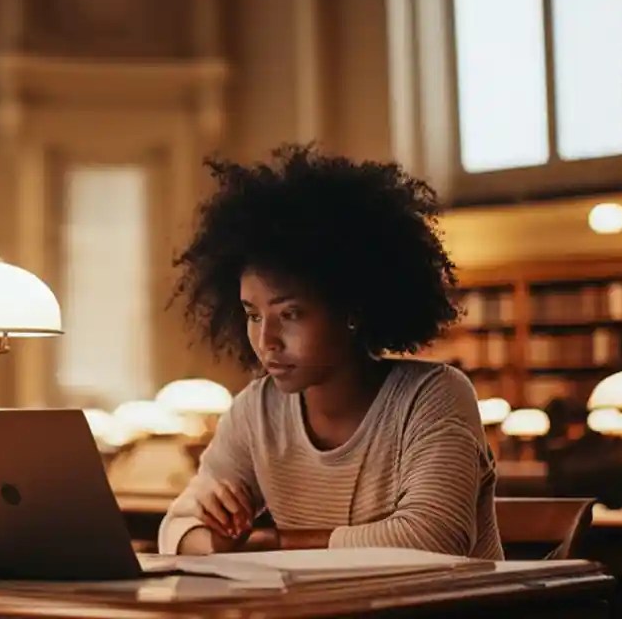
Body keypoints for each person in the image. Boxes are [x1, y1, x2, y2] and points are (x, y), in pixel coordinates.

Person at [161, 145, 502, 559]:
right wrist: (215, 528)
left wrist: (267, 543)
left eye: (290, 314)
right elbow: (176, 530)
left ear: (352, 310)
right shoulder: (255, 411)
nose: (266, 339)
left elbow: (431, 540)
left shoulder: (434, 396)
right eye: (252, 314)